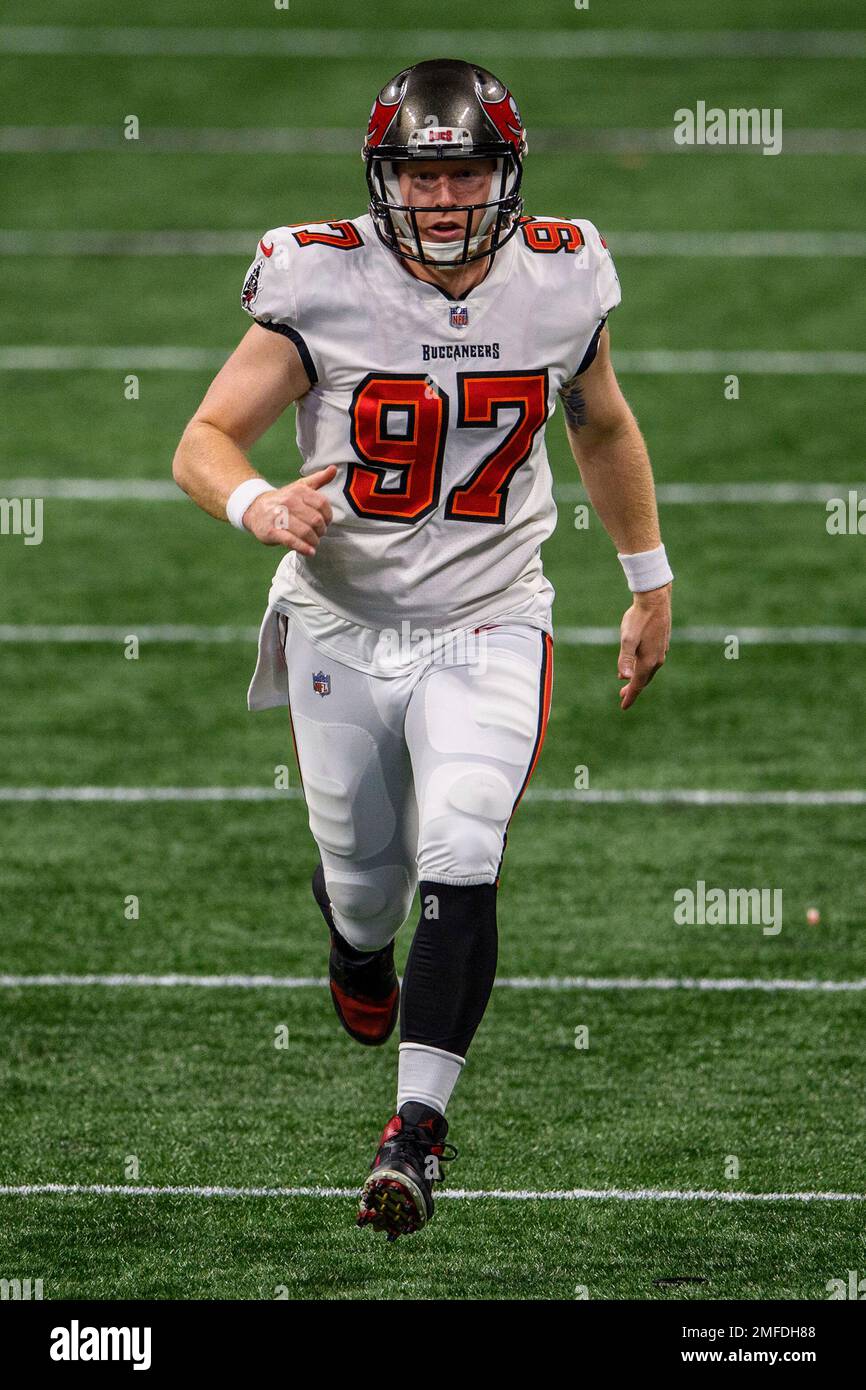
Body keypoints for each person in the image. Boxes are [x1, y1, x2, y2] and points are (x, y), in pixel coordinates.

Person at [172, 58, 672, 1241]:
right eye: (419, 173)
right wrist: (258, 506)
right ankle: (353, 938)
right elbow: (203, 437)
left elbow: (600, 418)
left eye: (465, 172)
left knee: (462, 837)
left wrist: (645, 578)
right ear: (382, 177)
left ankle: (415, 1133)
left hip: (491, 614)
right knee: (364, 884)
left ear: (505, 174)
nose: (442, 199)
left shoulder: (558, 275)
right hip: (343, 618)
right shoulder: (318, 279)